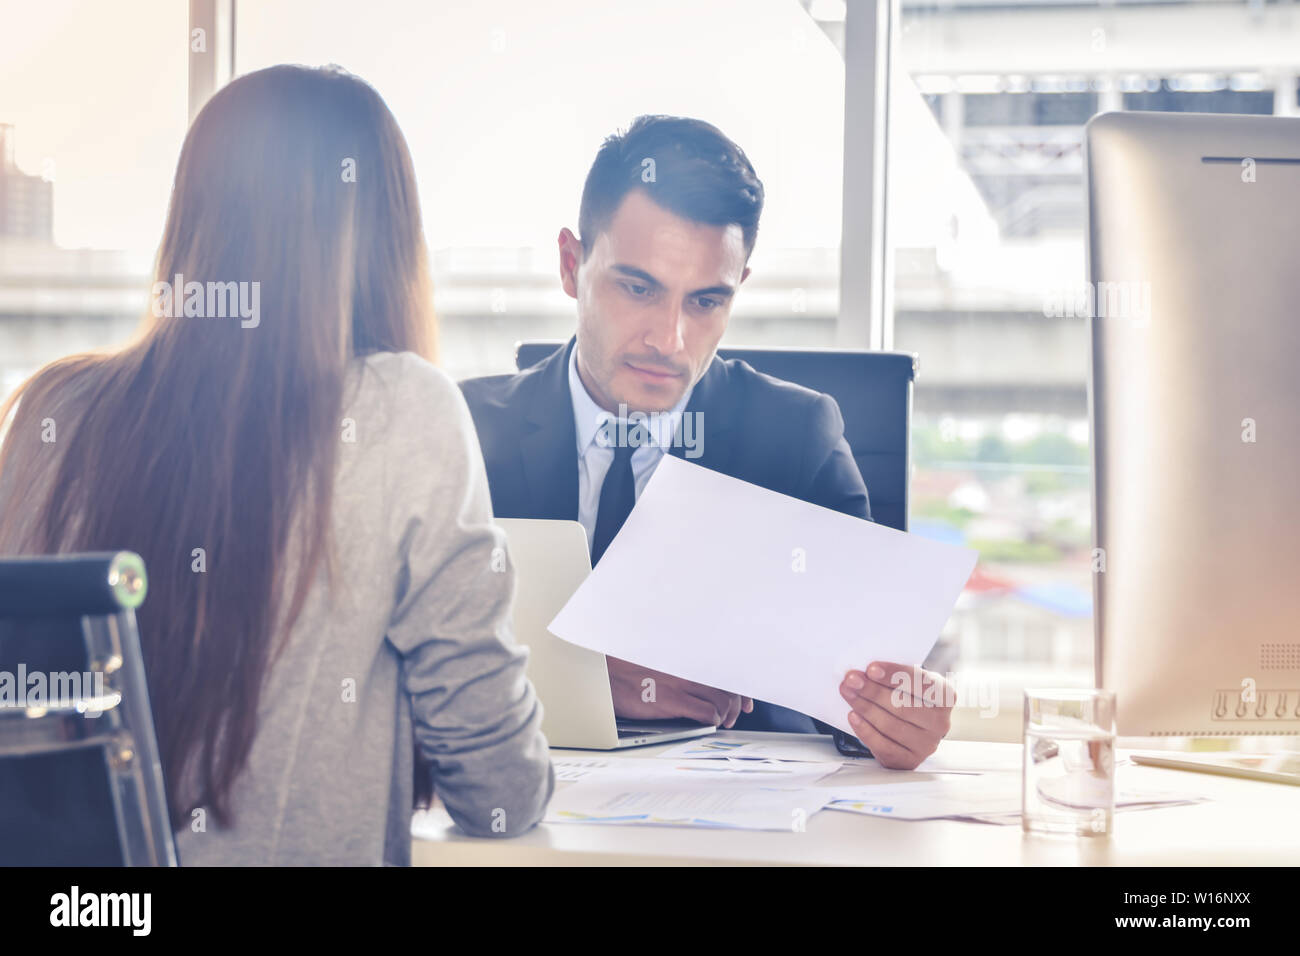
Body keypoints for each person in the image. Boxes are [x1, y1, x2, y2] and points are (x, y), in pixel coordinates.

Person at [0, 65, 552, 864]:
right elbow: (500, 791)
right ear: (384, 236)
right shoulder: (404, 410)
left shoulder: (54, 408)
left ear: (193, 216)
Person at [460, 115, 953, 769]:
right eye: (639, 288)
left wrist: (896, 719)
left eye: (705, 302)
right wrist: (575, 675)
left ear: (738, 288)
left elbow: (856, 698)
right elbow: (398, 660)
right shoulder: (462, 429)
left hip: (739, 821)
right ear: (571, 264)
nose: (670, 341)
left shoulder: (797, 437)